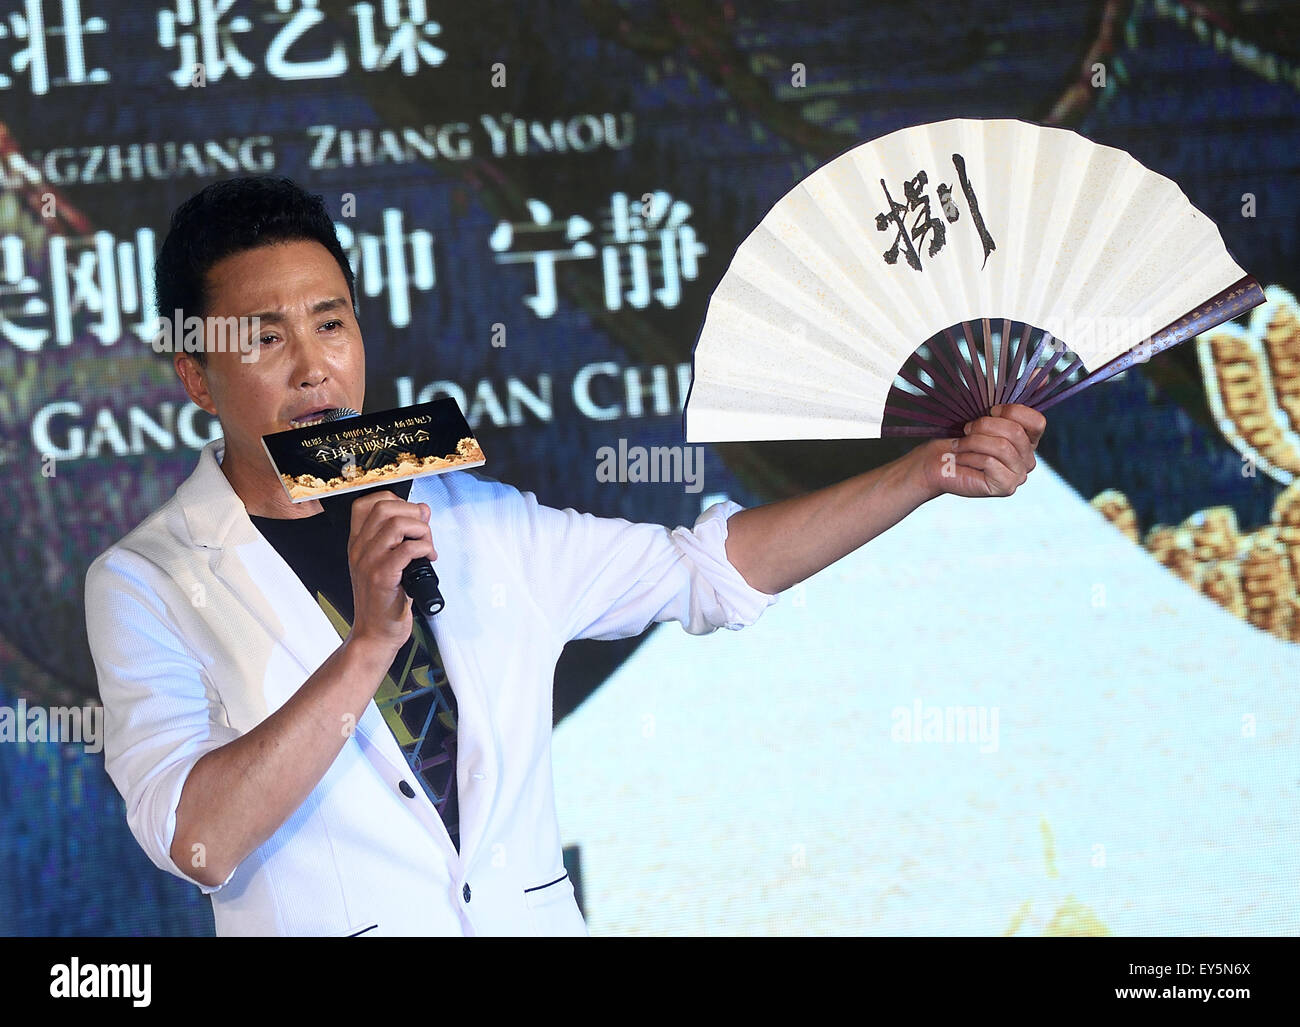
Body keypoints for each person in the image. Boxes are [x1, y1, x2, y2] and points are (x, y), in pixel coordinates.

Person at [85, 176, 1046, 936]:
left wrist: (927, 471)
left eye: (331, 321)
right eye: (266, 336)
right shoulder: (150, 580)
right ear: (196, 376)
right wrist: (368, 645)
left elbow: (703, 570)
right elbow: (198, 839)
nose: (313, 365)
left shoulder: (470, 517)